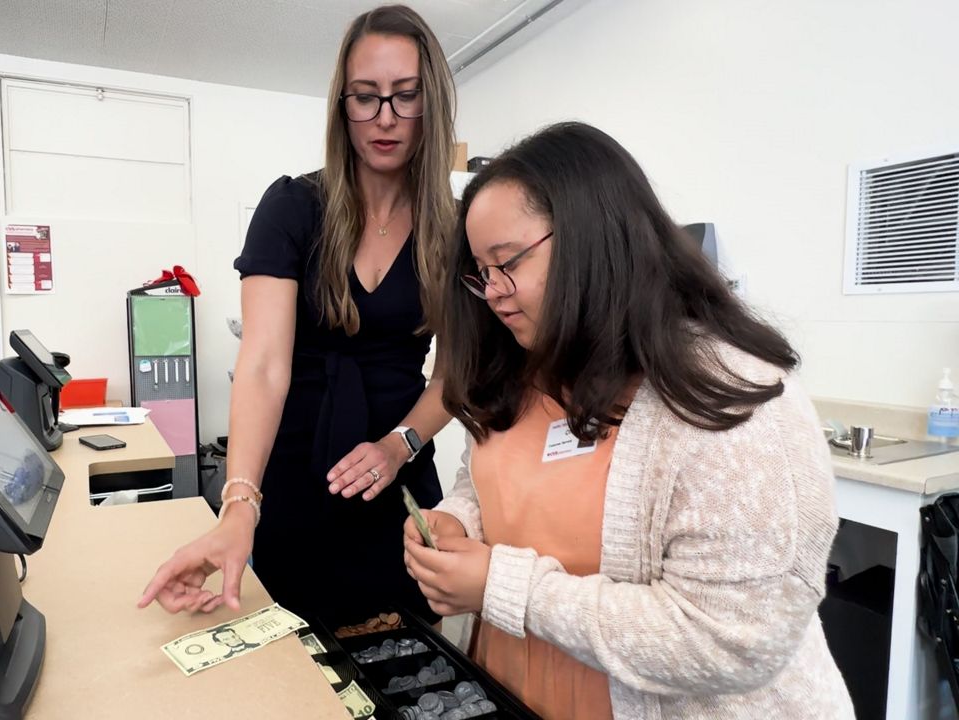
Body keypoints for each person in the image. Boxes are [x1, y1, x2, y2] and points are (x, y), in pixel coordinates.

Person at [404, 122, 854, 718]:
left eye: (508, 262)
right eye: (481, 273)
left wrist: (501, 587)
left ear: (596, 237)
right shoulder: (527, 364)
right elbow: (485, 477)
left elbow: (728, 640)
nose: (493, 293)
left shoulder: (734, 400)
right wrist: (458, 524)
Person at [139, 4, 458, 623]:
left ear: (433, 102)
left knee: (409, 660)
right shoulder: (292, 207)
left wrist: (400, 445)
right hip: (294, 476)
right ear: (342, 105)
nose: (384, 118)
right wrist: (239, 504)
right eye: (365, 97)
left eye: (405, 96)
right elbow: (261, 366)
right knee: (297, 661)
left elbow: (455, 377)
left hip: (397, 479)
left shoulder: (453, 229)